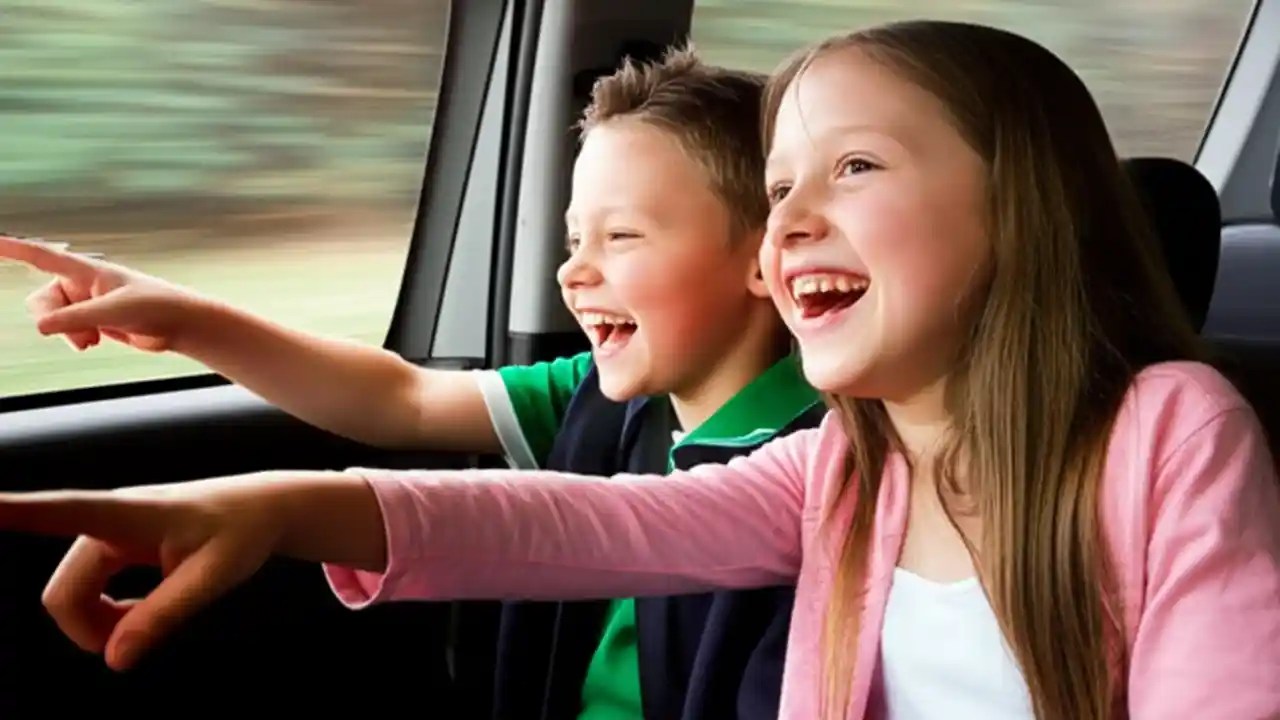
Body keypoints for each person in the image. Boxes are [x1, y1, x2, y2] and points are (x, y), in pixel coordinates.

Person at [3, 19, 1279, 720]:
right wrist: (284, 507)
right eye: (778, 186)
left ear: (1027, 210)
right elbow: (589, 526)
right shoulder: (847, 467)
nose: (789, 220)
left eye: (855, 168)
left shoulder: (1164, 437)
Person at [0, 47, 822, 720]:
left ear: (763, 259)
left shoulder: (829, 454)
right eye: (574, 237)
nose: (574, 271)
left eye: (623, 236)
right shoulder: (605, 402)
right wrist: (188, 323)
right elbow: (398, 398)